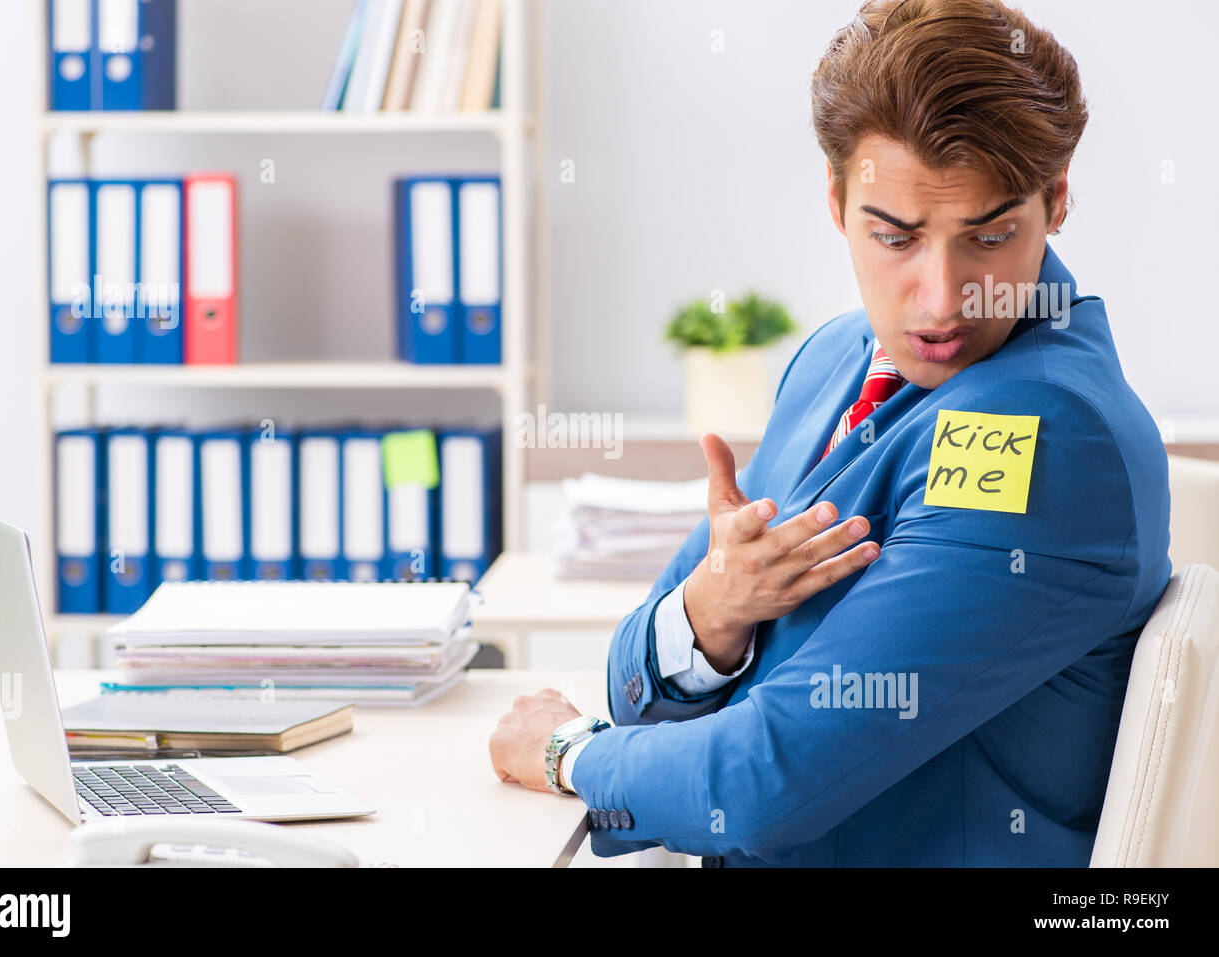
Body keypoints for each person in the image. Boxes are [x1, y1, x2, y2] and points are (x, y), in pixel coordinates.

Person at [489, 0, 1172, 866]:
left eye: (989, 235)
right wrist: (710, 613)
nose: (941, 298)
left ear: (1058, 200)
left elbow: (758, 787)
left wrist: (566, 754)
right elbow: (640, 685)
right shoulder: (831, 359)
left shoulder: (1044, 432)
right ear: (837, 201)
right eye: (896, 236)